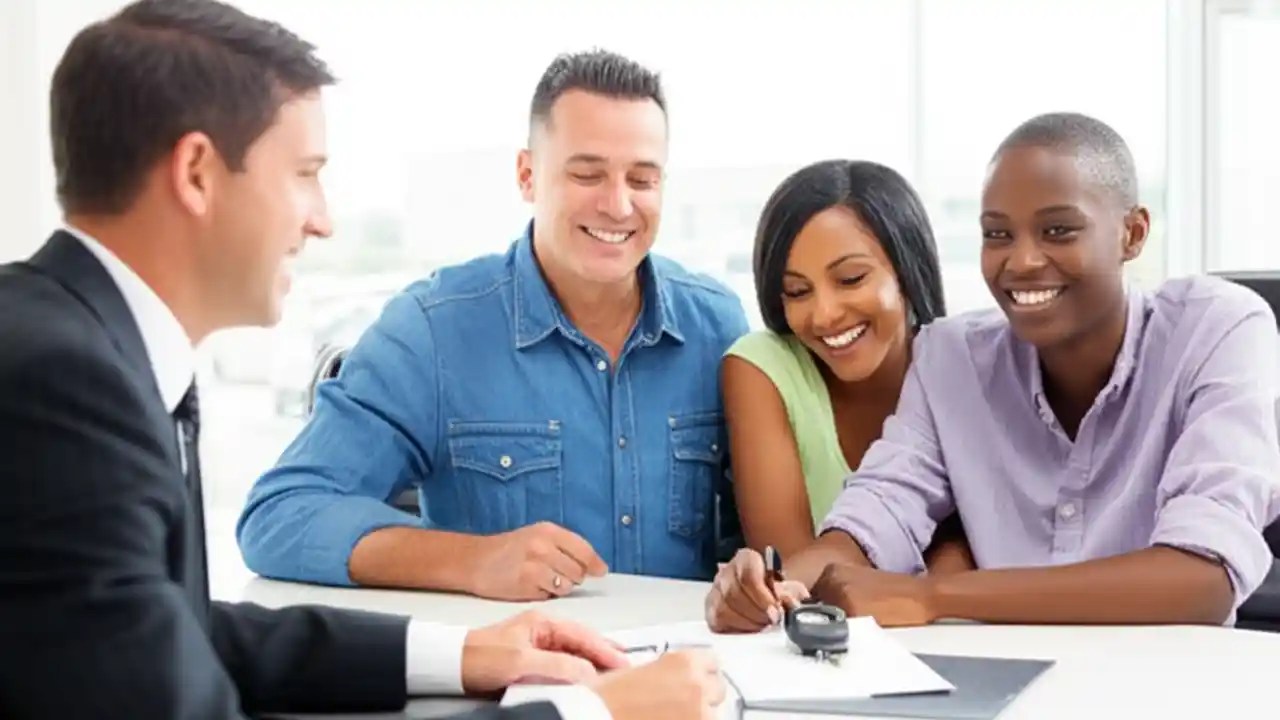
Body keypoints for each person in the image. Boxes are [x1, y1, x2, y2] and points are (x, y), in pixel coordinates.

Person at [0, 2, 725, 718]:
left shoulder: (83, 353)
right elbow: (269, 534)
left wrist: (465, 654)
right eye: (305, 173)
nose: (324, 219)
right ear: (196, 172)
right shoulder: (62, 387)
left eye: (643, 176)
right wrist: (596, 715)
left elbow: (186, 633)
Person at [705, 112, 1280, 632]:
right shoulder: (951, 357)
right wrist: (771, 586)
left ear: (1132, 233)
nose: (1022, 261)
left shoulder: (1218, 328)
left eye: (1058, 230)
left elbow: (1204, 578)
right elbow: (875, 516)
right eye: (997, 234)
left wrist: (934, 596)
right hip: (996, 686)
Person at [237, 49, 751, 600]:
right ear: (528, 176)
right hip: (511, 673)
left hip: (688, 672)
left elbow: (756, 539)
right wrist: (472, 560)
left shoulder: (717, 326)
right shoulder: (433, 331)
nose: (619, 205)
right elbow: (280, 516)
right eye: (587, 174)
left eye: (642, 179)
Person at [720, 159, 973, 586]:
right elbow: (793, 585)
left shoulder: (965, 366)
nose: (825, 315)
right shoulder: (763, 370)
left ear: (907, 271)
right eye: (798, 291)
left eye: (851, 279)